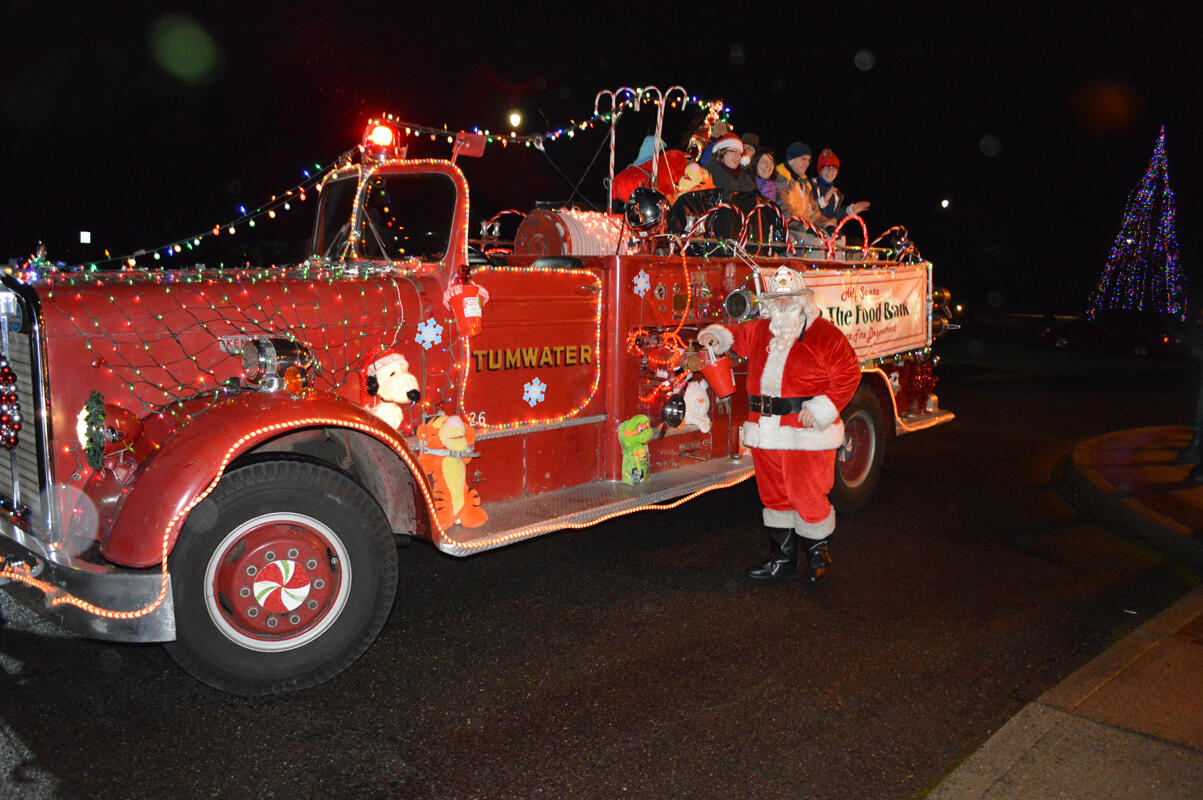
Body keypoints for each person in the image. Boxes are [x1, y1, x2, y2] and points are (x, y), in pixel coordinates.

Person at [697, 266, 861, 583]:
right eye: (777, 297)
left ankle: (818, 556)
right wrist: (713, 335)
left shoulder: (824, 334)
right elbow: (731, 336)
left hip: (805, 434)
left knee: (807, 494)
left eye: (790, 296)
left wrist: (824, 407)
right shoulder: (761, 330)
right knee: (773, 496)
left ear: (803, 299)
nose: (783, 302)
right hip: (765, 433)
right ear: (770, 302)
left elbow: (849, 375)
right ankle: (781, 559)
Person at [811, 148, 870, 230]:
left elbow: (835, 215)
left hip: (827, 234)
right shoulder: (809, 185)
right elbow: (806, 208)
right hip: (808, 231)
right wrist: (823, 200)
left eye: (834, 168)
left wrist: (850, 210)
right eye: (827, 167)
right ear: (820, 170)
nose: (830, 171)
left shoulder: (836, 194)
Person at [773, 142, 821, 233]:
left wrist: (828, 225)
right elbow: (783, 210)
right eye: (803, 159)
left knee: (835, 240)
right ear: (791, 159)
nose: (807, 163)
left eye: (809, 160)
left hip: (802, 230)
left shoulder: (805, 184)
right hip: (787, 231)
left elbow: (814, 213)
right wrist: (805, 227)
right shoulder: (780, 179)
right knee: (818, 242)